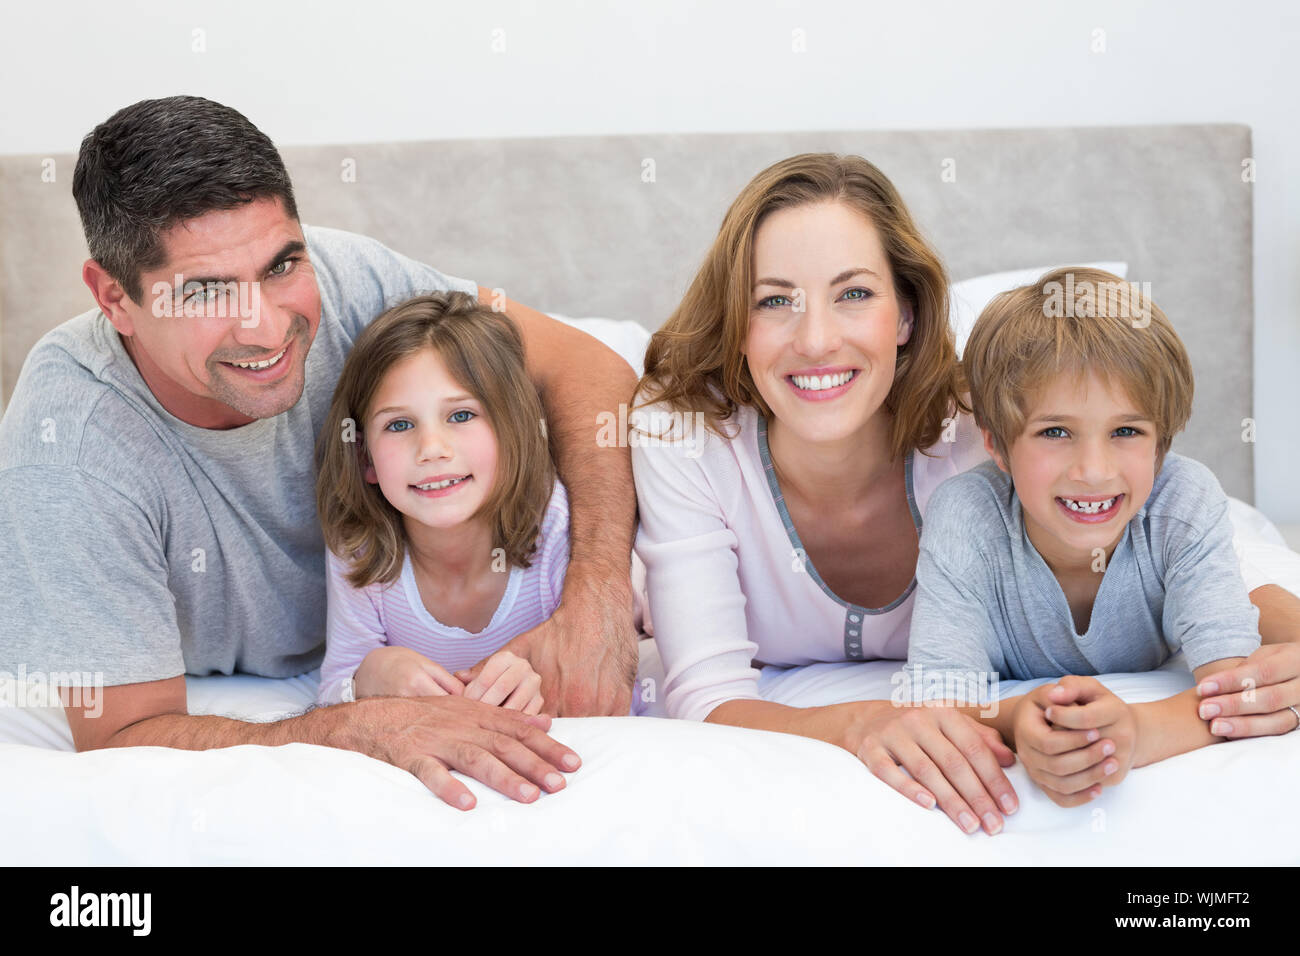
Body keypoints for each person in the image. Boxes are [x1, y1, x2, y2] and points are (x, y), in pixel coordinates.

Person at [631, 152, 1300, 836]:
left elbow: (1183, 553)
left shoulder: (990, 431)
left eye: (854, 293)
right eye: (775, 300)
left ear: (907, 315)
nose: (817, 339)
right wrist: (862, 722)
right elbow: (707, 700)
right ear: (736, 324)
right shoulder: (682, 434)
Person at [0, 96, 639, 811]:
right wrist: (358, 728)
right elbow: (126, 735)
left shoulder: (351, 279)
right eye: (207, 292)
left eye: (281, 266)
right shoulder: (69, 451)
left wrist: (598, 594)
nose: (267, 327)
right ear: (114, 298)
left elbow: (592, 366)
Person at [905, 267, 1295, 808]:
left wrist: (1133, 732)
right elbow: (939, 701)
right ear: (995, 445)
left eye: (1126, 431)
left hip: (1196, 555)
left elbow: (1234, 687)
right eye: (1055, 432)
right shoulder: (965, 517)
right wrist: (1021, 722)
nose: (1093, 470)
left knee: (1271, 601)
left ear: (1161, 444)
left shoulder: (1182, 501)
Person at [314, 292, 568, 713]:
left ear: (514, 429)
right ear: (365, 459)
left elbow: (611, 668)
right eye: (398, 424)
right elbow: (332, 691)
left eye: (461, 415)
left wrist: (546, 681)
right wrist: (368, 677)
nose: (431, 448)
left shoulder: (556, 526)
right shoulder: (358, 548)